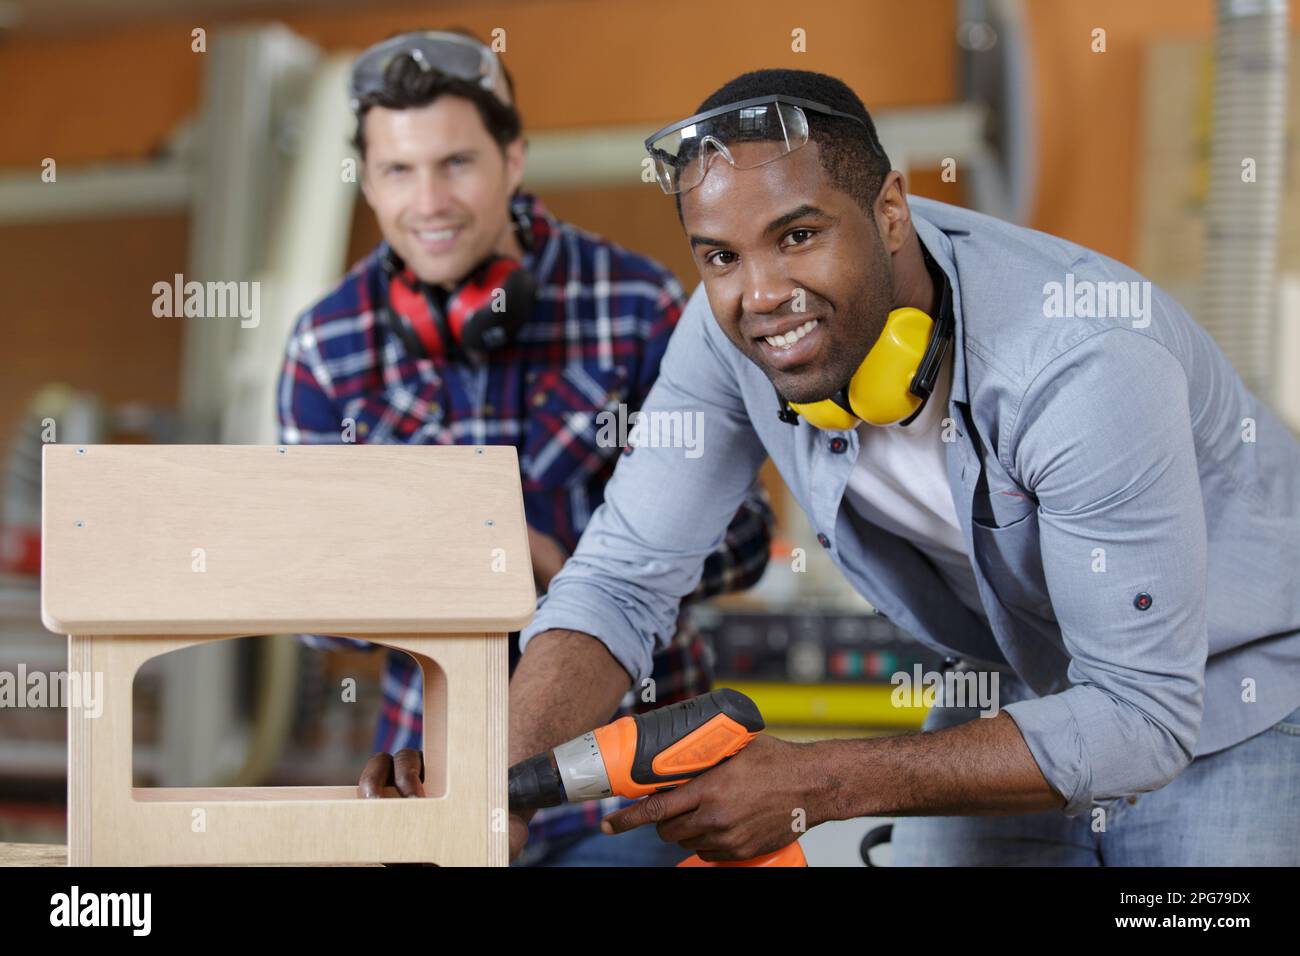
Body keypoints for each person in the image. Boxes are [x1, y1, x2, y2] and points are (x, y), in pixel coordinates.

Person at [507, 68, 1300, 865]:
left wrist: (819, 782)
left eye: (797, 236)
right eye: (720, 256)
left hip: (1231, 694)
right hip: (1017, 685)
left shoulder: (1079, 365)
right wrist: (488, 791)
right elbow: (619, 579)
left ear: (890, 210)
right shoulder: (726, 339)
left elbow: (1144, 717)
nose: (762, 294)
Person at [276, 31, 773, 866]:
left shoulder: (638, 303)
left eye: (457, 164)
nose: (428, 199)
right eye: (398, 170)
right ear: (367, 182)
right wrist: (411, 574)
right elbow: (314, 620)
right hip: (435, 775)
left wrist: (565, 565)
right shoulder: (326, 344)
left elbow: (748, 537)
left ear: (514, 158)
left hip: (639, 779)